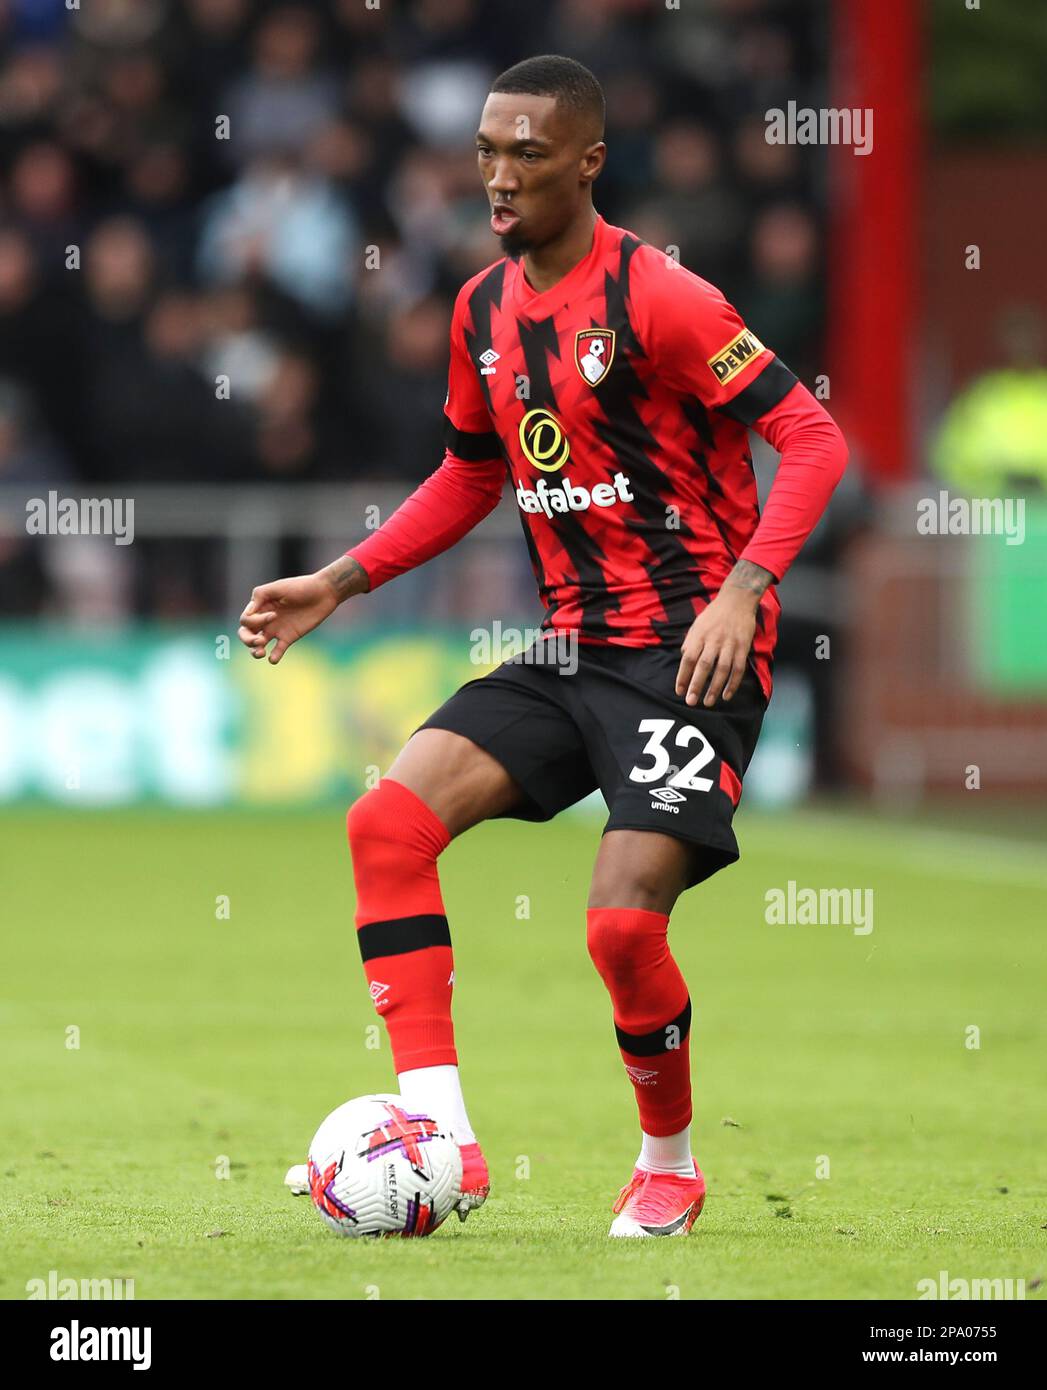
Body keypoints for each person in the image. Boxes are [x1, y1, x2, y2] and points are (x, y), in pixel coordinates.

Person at [239, 55, 847, 1238]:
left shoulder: (663, 298)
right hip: (572, 650)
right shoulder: (478, 311)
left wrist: (745, 588)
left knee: (621, 925)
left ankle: (667, 1160)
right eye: (485, 152)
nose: (499, 177)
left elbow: (810, 435)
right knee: (387, 822)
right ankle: (444, 1141)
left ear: (587, 161)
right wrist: (340, 578)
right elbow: (476, 469)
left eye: (526, 153)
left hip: (690, 656)